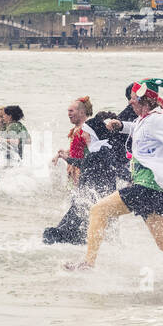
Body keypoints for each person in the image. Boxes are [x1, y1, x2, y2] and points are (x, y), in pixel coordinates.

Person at [66, 78, 163, 278]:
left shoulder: (158, 120)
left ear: (146, 100)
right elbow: (139, 129)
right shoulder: (147, 119)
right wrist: (120, 125)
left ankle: (89, 263)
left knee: (99, 210)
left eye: (134, 99)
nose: (130, 102)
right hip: (155, 191)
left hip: (147, 187)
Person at [44, 96, 117, 244]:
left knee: (80, 206)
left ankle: (79, 237)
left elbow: (90, 156)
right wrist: (64, 155)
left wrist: (72, 162)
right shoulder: (79, 130)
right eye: (68, 111)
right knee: (80, 208)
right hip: (80, 172)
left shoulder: (88, 129)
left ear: (82, 112)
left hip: (84, 173)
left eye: (71, 111)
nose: (69, 113)